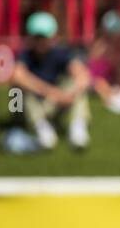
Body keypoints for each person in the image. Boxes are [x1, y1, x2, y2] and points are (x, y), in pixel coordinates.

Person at [10, 11, 91, 149]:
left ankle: (78, 128)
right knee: (17, 91)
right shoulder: (24, 56)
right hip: (27, 108)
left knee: (74, 85)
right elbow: (17, 76)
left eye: (44, 37)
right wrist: (51, 92)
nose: (41, 42)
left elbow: (82, 75)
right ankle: (40, 129)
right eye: (37, 38)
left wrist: (69, 94)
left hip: (52, 104)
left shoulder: (61, 54)